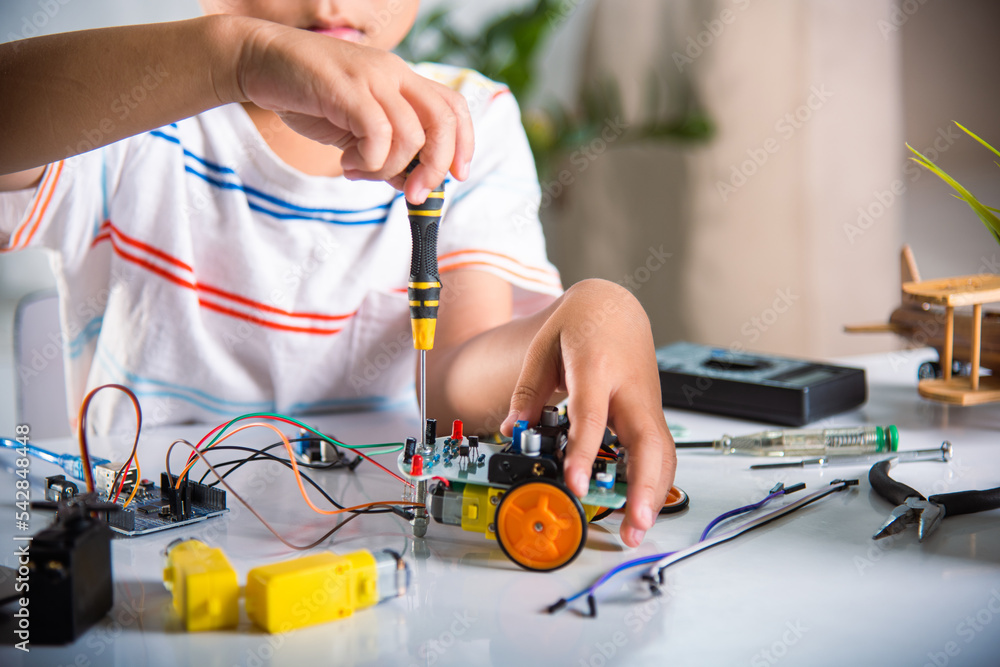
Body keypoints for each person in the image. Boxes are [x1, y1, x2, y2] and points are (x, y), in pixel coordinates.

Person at [0, 0, 675, 547]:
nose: (332, 3)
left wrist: (592, 309)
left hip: (380, 555)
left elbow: (457, 382)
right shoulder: (129, 117)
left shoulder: (470, 119)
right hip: (150, 552)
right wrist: (233, 57)